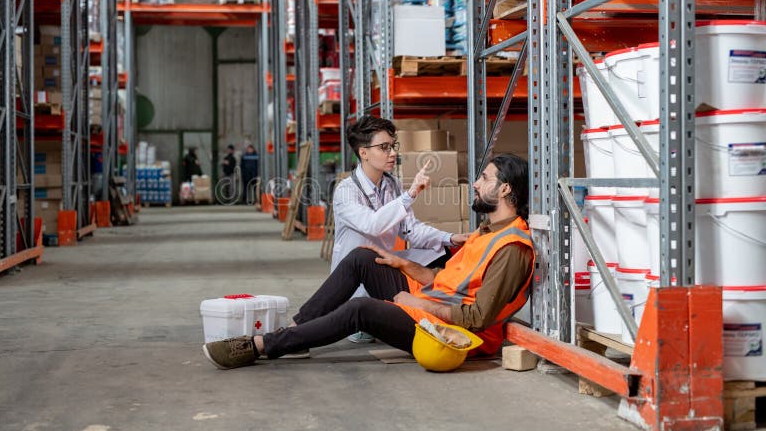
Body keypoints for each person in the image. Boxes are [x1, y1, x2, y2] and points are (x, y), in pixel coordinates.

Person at [202, 153, 535, 370]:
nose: (476, 184)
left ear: (505, 190)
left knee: (360, 310)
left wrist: (416, 301)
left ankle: (262, 346)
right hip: (432, 303)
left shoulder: (511, 248)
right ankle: (297, 331)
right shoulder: (488, 230)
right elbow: (443, 279)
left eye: (485, 179)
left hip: (447, 332)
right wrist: (403, 265)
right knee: (364, 257)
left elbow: (477, 317)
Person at [331, 116, 470, 344]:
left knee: (444, 252)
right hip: (356, 278)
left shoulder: (391, 184)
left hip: (382, 266)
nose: (392, 153)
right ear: (363, 152)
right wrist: (410, 194)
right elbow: (372, 225)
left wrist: (451, 237)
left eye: (393, 146)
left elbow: (411, 230)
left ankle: (440, 309)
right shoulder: (346, 191)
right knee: (363, 322)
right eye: (383, 147)